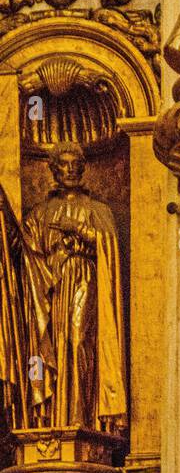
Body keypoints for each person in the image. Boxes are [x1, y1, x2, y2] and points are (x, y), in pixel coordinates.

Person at [18, 142, 126, 433]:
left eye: (75, 164)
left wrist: (78, 230)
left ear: (84, 167)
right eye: (63, 164)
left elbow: (109, 248)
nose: (70, 170)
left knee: (80, 342)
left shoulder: (98, 210)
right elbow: (27, 257)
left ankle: (83, 417)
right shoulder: (40, 214)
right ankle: (55, 418)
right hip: (51, 286)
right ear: (53, 169)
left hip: (86, 279)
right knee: (54, 344)